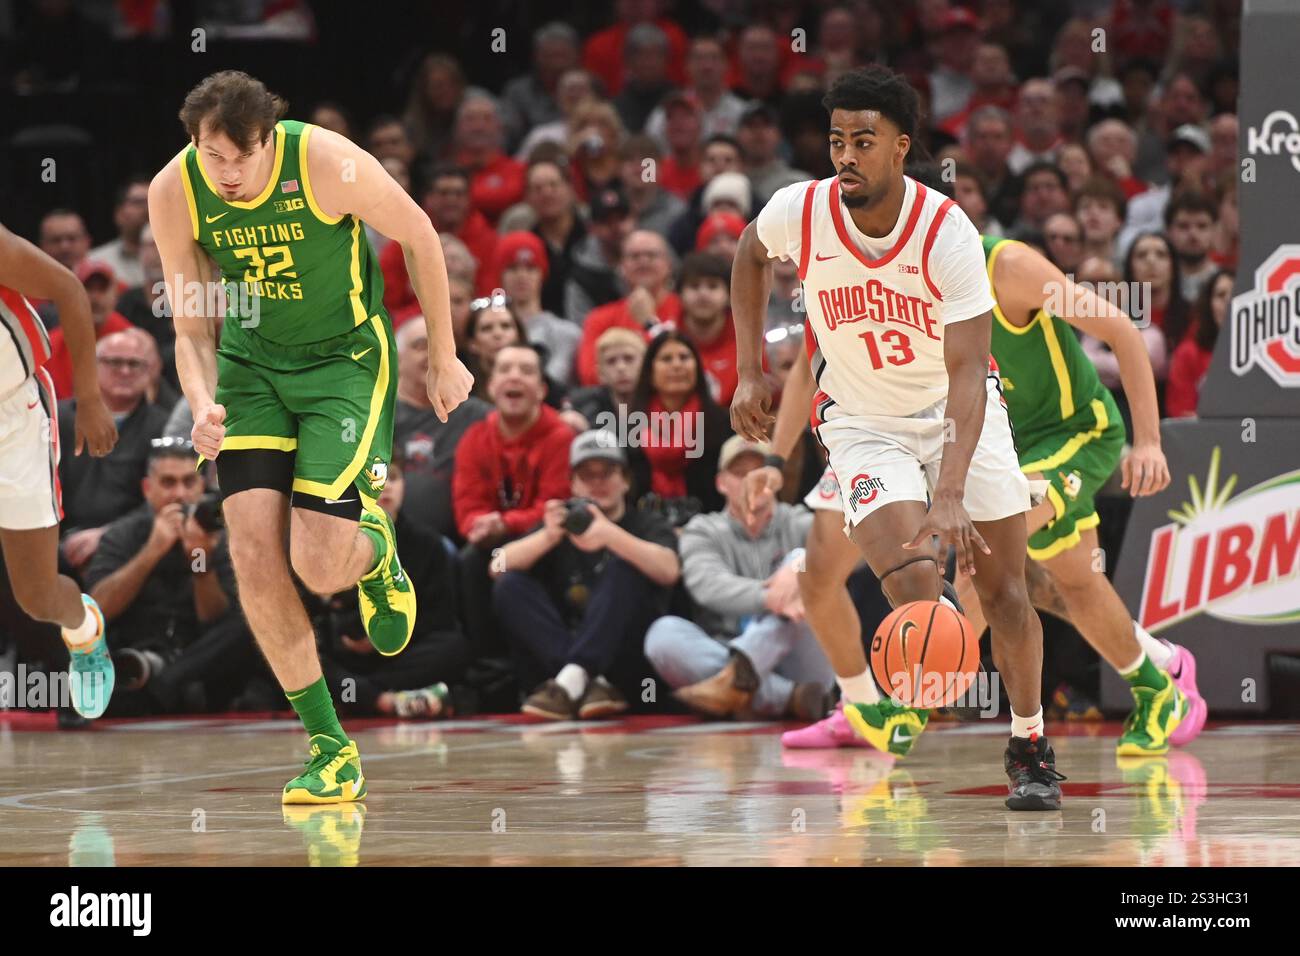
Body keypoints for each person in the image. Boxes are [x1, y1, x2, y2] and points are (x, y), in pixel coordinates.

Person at [730, 67, 1065, 810]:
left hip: (959, 415)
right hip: (861, 422)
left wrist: (950, 492)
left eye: (863, 141)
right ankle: (890, 696)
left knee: (1008, 593)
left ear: (901, 147)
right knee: (916, 590)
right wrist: (750, 370)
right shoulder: (803, 210)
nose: (844, 155)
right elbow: (749, 253)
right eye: (836, 140)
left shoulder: (946, 232)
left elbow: (972, 373)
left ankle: (1030, 743)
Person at [149, 70, 473, 804]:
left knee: (321, 567)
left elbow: (420, 233)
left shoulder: (327, 160)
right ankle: (330, 747)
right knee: (253, 554)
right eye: (211, 156)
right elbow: (194, 325)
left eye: (240, 156)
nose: (226, 174)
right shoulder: (175, 191)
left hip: (344, 363)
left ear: (269, 139)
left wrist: (446, 355)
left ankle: (376, 549)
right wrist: (200, 402)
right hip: (250, 367)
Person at [0, 222, 119, 722]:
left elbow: (69, 289)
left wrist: (89, 398)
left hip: (14, 421)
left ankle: (84, 628)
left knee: (38, 597)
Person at [492, 429, 680, 719]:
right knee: (510, 585)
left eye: (607, 473)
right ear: (573, 484)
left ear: (625, 480)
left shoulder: (645, 522)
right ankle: (579, 678)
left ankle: (571, 681)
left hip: (626, 658)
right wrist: (547, 538)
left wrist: (610, 535)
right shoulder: (561, 523)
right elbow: (497, 565)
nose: (597, 483)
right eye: (587, 475)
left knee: (624, 565)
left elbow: (669, 571)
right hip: (563, 649)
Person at [645, 435, 833, 721]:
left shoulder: (799, 521)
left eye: (758, 473)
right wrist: (772, 597)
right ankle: (791, 697)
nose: (750, 482)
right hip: (724, 648)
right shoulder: (702, 529)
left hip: (801, 656)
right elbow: (707, 586)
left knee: (802, 560)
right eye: (740, 474)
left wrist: (797, 568)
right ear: (721, 483)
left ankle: (740, 679)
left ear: (775, 480)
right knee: (662, 634)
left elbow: (849, 557)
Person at [83, 438, 254, 715]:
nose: (180, 494)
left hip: (201, 665)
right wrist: (151, 552)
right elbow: (96, 612)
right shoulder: (123, 534)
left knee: (252, 621)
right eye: (168, 483)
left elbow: (216, 621)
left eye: (189, 482)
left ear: (202, 486)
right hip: (137, 658)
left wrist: (200, 561)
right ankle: (165, 686)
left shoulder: (220, 536)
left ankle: (167, 684)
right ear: (147, 489)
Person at [318, 454, 469, 719]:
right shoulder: (334, 539)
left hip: (403, 653)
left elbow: (441, 619)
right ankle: (387, 699)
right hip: (349, 655)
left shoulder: (429, 544)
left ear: (404, 485)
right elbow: (320, 616)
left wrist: (386, 638)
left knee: (453, 647)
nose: (385, 485)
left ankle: (366, 698)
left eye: (393, 477)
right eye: (375, 476)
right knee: (301, 650)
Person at [58, 331, 171, 572]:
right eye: (114, 362)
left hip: (128, 544)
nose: (125, 371)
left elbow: (169, 499)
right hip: (55, 540)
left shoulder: (164, 427)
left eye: (134, 364)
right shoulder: (58, 419)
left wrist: (109, 534)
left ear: (150, 372)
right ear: (93, 366)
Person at [393, 319, 490, 539]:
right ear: (396, 360)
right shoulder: (377, 413)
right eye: (420, 346)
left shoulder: (476, 414)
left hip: (461, 543)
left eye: (438, 347)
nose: (432, 355)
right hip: (385, 544)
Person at [627, 329, 729, 522]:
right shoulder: (630, 425)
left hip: (713, 527)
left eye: (684, 357)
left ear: (697, 369)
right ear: (650, 372)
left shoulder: (722, 423)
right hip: (645, 532)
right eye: (666, 359)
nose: (677, 365)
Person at [44, 260, 136, 398]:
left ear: (115, 294)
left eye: (102, 289)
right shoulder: (50, 345)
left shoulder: (134, 342)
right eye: (88, 289)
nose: (95, 298)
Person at [1166, 268, 1232, 418]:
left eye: (1235, 293)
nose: (1229, 301)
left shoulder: (1265, 353)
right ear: (1208, 304)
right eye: (1221, 295)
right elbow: (1181, 415)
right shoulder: (1188, 354)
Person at [89, 178, 152, 289]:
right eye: (139, 202)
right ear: (119, 214)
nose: (148, 208)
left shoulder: (177, 258)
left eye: (153, 201)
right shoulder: (96, 261)